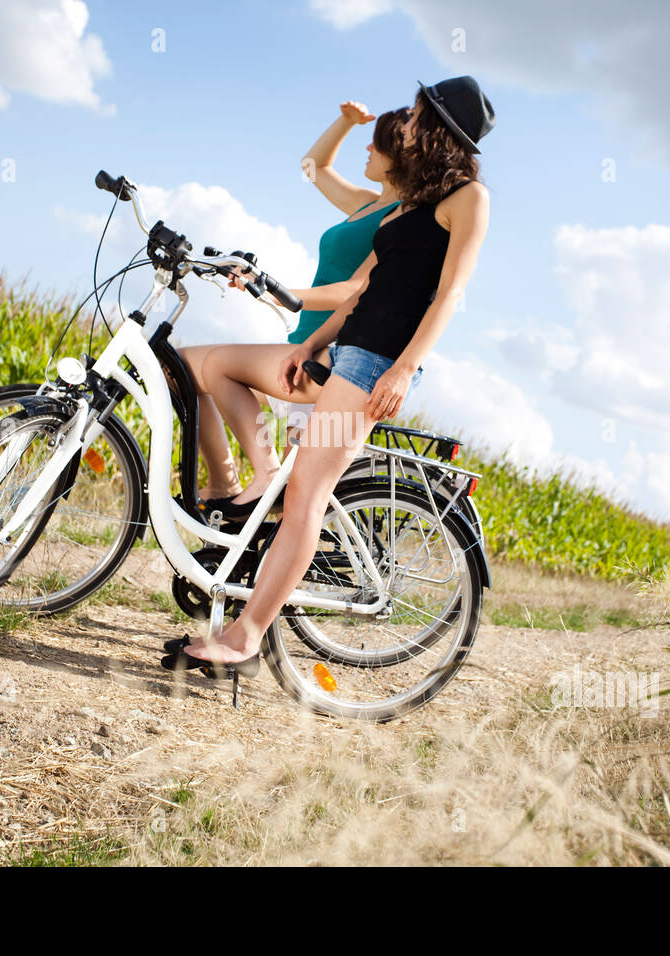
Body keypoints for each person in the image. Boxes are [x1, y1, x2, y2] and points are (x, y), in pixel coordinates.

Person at [166, 76, 495, 674]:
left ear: (443, 131)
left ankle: (245, 639)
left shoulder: (470, 198)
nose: (410, 124)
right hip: (346, 352)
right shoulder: (412, 205)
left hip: (376, 365)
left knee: (305, 498)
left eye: (420, 116)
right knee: (296, 490)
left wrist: (403, 368)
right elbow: (361, 291)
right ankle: (239, 610)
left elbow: (450, 294)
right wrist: (312, 341)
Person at [179, 102, 409, 518]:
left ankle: (241, 489)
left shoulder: (396, 219)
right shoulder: (368, 204)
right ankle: (222, 482)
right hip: (303, 345)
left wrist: (275, 289)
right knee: (179, 370)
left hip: (332, 358)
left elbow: (354, 291)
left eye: (377, 144)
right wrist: (346, 122)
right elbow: (312, 166)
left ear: (399, 156)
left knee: (286, 507)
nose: (368, 150)